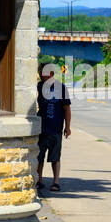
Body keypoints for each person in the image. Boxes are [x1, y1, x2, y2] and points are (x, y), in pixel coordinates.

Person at [36, 63, 71, 192]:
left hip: (56, 128)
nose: (40, 74)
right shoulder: (38, 87)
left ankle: (56, 182)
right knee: (39, 156)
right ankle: (38, 180)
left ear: (51, 74)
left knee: (55, 157)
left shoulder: (61, 88)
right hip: (40, 128)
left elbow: (67, 108)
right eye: (40, 72)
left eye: (43, 72)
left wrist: (67, 127)